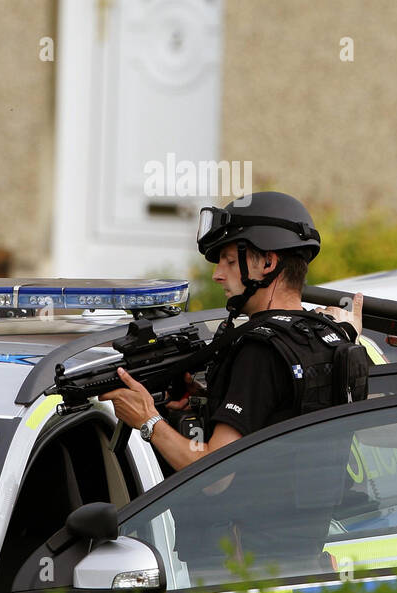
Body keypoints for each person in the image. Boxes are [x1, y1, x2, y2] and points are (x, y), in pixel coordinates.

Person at [101, 191, 368, 474]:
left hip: (251, 518)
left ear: (267, 263)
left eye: (229, 261)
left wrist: (148, 420)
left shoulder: (260, 350)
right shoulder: (326, 336)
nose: (217, 274)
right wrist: (209, 400)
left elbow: (216, 475)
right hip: (309, 516)